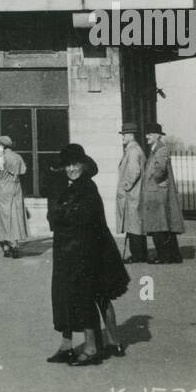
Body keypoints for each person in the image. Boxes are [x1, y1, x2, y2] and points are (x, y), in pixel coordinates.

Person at [47, 143, 129, 367]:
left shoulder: (86, 188)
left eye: (75, 164)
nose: (72, 168)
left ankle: (97, 346)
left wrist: (60, 212)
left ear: (83, 165)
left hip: (89, 250)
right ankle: (73, 345)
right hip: (71, 250)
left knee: (92, 296)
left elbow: (76, 219)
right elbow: (54, 219)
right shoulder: (68, 187)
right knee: (69, 295)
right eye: (68, 165)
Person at [139, 123, 184, 264]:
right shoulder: (156, 149)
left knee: (158, 226)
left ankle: (164, 256)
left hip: (156, 194)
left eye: (150, 134)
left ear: (158, 135)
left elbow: (160, 170)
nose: (147, 136)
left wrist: (156, 181)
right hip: (157, 193)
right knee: (163, 226)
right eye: (147, 134)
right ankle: (172, 256)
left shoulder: (160, 150)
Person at [0, 134, 29, 259]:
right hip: (16, 188)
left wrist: (0, 183)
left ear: (2, 145)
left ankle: (6, 247)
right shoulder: (18, 157)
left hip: (3, 189)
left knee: (3, 218)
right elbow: (23, 171)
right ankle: (15, 244)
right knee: (15, 216)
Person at [115, 123, 147, 263]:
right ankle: (139, 254)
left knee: (134, 225)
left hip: (133, 195)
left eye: (124, 134)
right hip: (134, 194)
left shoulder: (133, 151)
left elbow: (134, 171)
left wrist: (125, 187)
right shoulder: (133, 149)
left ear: (130, 135)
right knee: (135, 225)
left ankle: (138, 255)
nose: (122, 136)